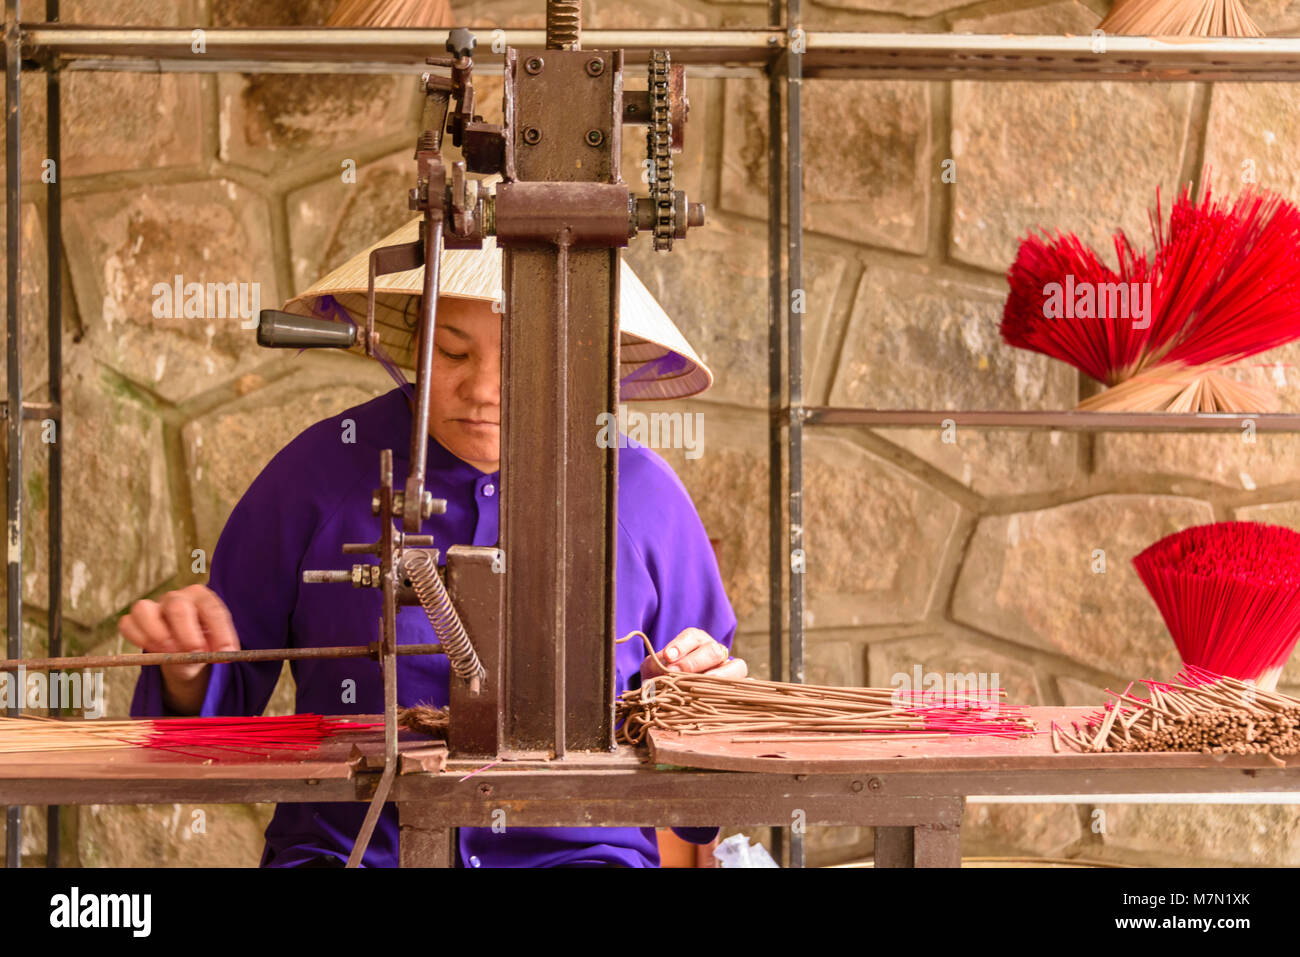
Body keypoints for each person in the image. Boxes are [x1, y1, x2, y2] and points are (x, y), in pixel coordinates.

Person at [119, 215, 744, 867]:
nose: (480, 390)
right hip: (353, 853)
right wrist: (189, 672)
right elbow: (202, 735)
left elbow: (702, 815)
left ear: (573, 353)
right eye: (453, 352)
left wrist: (698, 708)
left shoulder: (643, 493)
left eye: (521, 356)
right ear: (415, 342)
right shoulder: (318, 473)